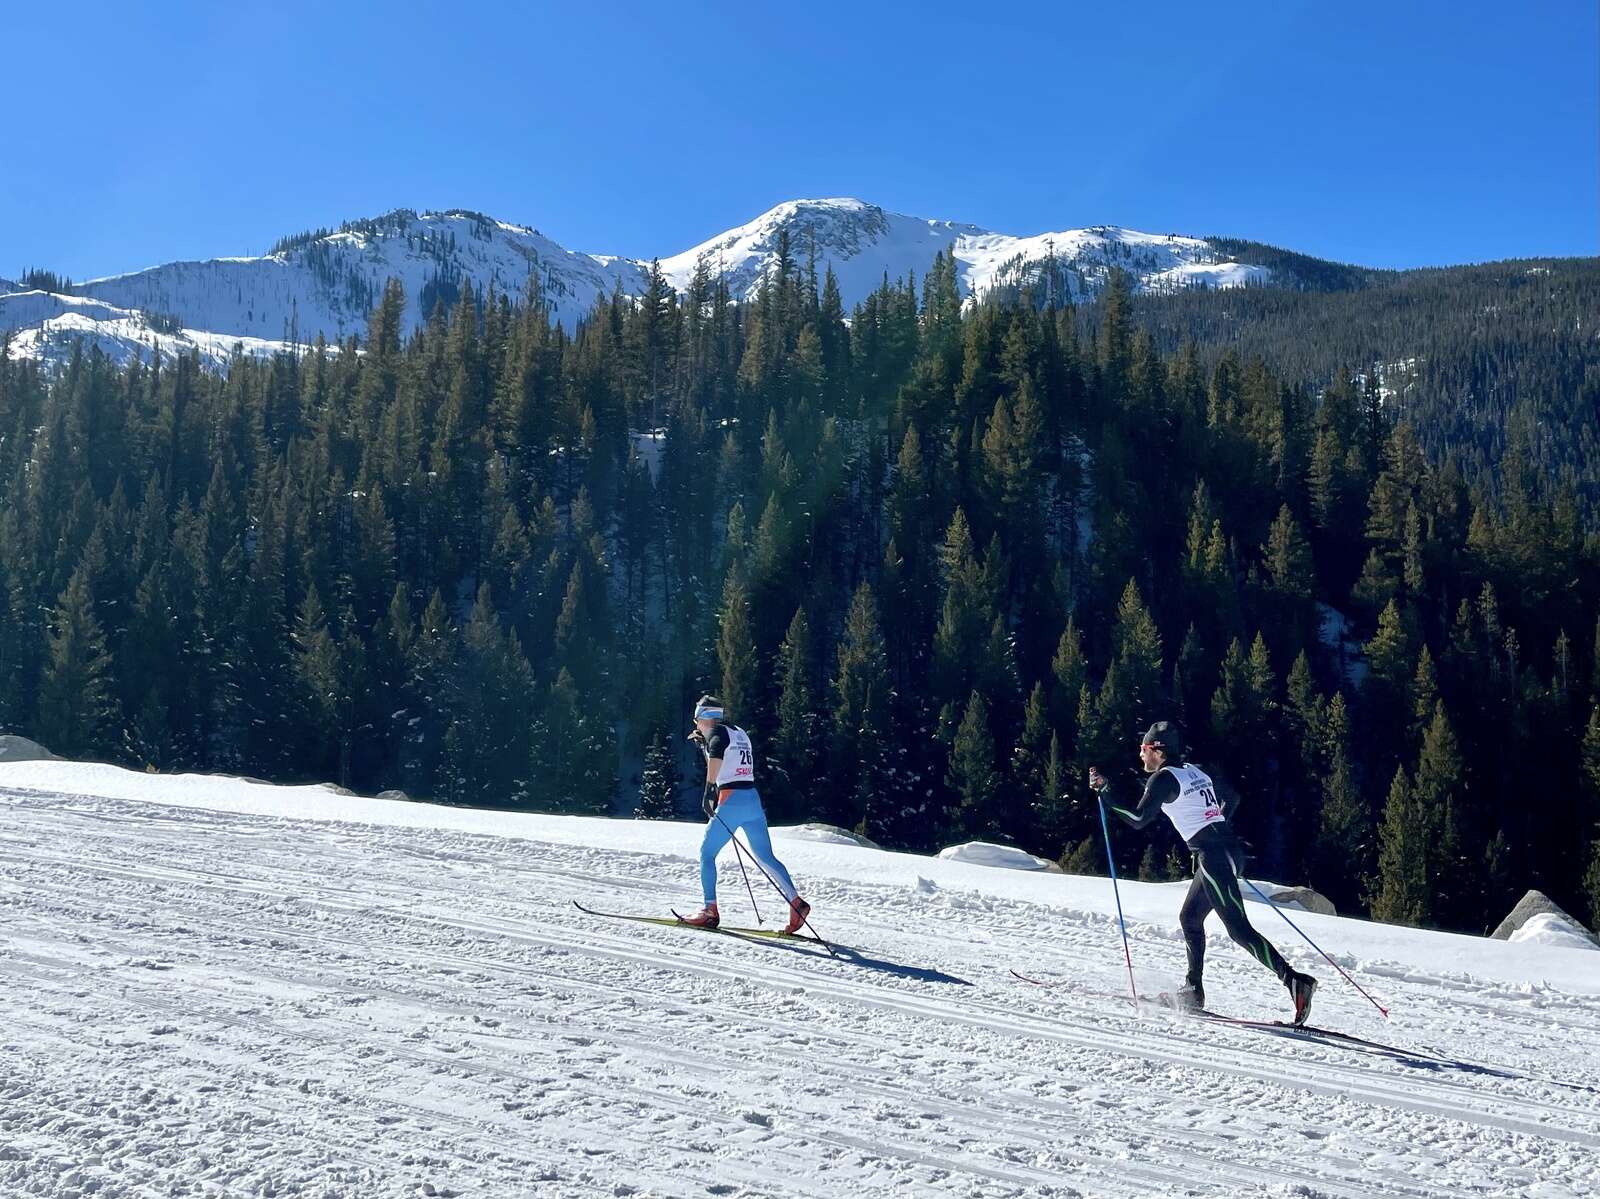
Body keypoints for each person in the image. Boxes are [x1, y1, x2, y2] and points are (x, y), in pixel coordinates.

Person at [1088, 720, 1318, 1026]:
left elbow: (1138, 819)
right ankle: (1193, 990)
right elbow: (1233, 797)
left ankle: (1295, 981)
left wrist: (1106, 793)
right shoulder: (1195, 771)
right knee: (1190, 918)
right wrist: (1214, 825)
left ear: (1158, 750)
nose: (1141, 755)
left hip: (1214, 857)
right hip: (1226, 851)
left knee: (1238, 930)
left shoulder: (1163, 779)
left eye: (1144, 749)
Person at [679, 695, 811, 934]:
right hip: (752, 798)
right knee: (765, 856)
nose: (696, 725)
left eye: (697, 720)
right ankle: (796, 902)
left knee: (707, 854)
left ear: (704, 718)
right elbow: (728, 757)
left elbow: (718, 754)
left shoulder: (716, 733)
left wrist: (709, 790)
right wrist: (704, 745)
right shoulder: (738, 731)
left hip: (731, 800)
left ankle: (710, 911)